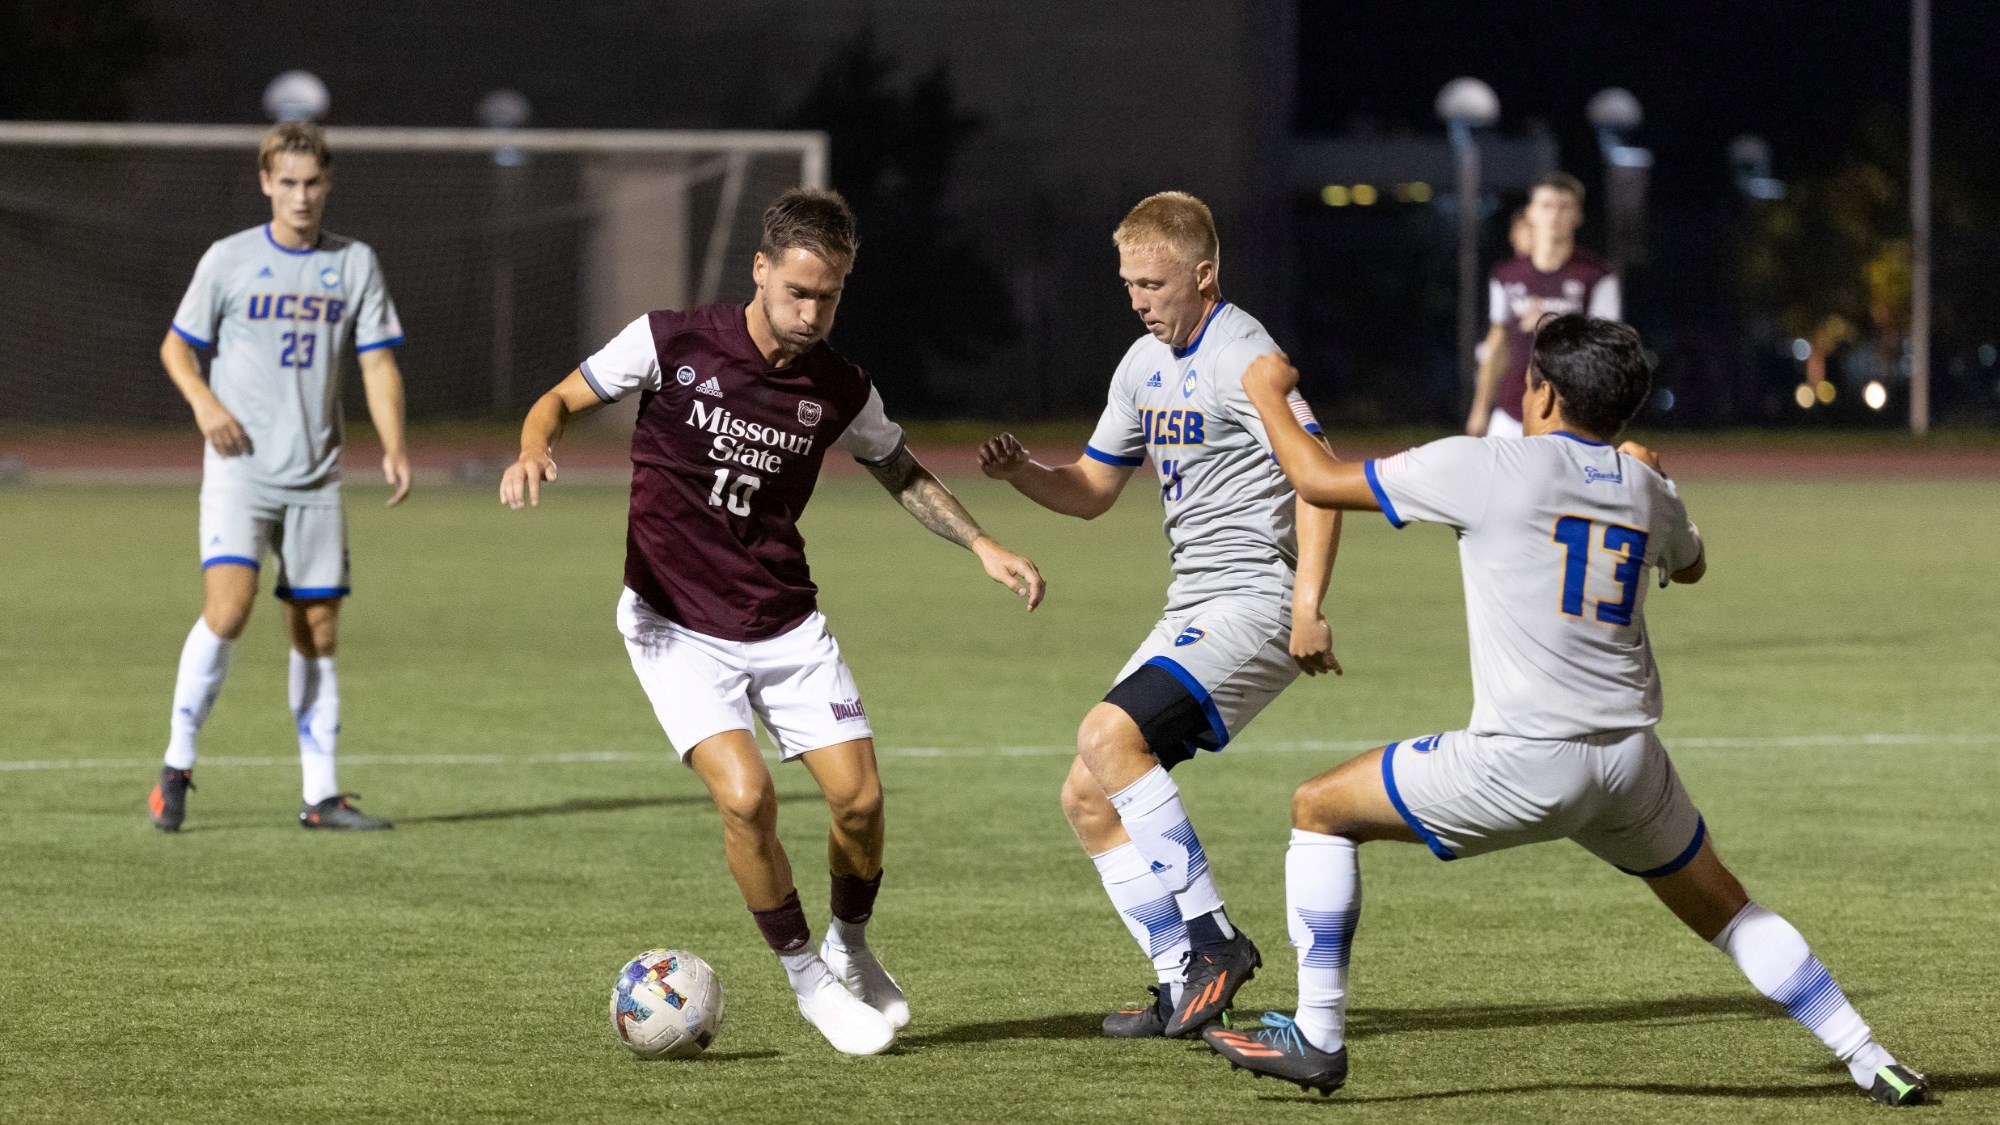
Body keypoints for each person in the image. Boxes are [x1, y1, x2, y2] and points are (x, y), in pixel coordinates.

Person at [1203, 315, 1929, 1108]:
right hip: (1628, 763)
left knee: (1319, 808)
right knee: (1730, 909)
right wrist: (1652, 479)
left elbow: (1315, 478)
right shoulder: (1646, 485)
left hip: (1523, 758)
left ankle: (1318, 1035)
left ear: (1541, 392)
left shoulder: (1484, 465)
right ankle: (1868, 1054)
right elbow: (1691, 566)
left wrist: (1267, 394)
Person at [501, 188, 1044, 1057]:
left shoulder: (839, 387)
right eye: (797, 292)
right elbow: (558, 398)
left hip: (783, 620)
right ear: (760, 269)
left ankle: (849, 946)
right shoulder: (668, 340)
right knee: (748, 796)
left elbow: (899, 469)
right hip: (671, 622)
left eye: (828, 296)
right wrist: (536, 446)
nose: (811, 312)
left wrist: (979, 542)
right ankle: (807, 982)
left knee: (860, 804)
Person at [978, 191, 1341, 1040]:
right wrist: (1024, 471)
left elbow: (1319, 478)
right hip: (1194, 604)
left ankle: (1215, 938)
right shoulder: (1142, 364)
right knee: (1087, 792)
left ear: (1204, 275)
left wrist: (1307, 605)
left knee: (1108, 737)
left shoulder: (1246, 355)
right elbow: (1094, 489)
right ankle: (1182, 978)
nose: (1138, 299)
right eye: (1128, 283)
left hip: (1255, 599)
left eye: (1153, 282)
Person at [150, 121, 410, 833]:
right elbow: (177, 349)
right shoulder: (228, 260)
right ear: (266, 182)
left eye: (312, 182)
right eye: (287, 182)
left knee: (317, 627)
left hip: (317, 477)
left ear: (328, 185)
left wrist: (393, 443)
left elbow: (377, 361)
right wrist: (205, 402)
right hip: (240, 472)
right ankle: (176, 765)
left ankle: (321, 795)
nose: (300, 195)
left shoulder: (353, 262)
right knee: (229, 609)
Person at [1467, 173, 1619, 438]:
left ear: (1578, 215)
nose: (1555, 215)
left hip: (1569, 412)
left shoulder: (1597, 275)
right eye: (1547, 205)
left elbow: (1604, 346)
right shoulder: (1506, 274)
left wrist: (1552, 324)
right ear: (1531, 213)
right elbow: (1497, 342)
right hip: (1511, 411)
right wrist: (1480, 408)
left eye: (1564, 206)